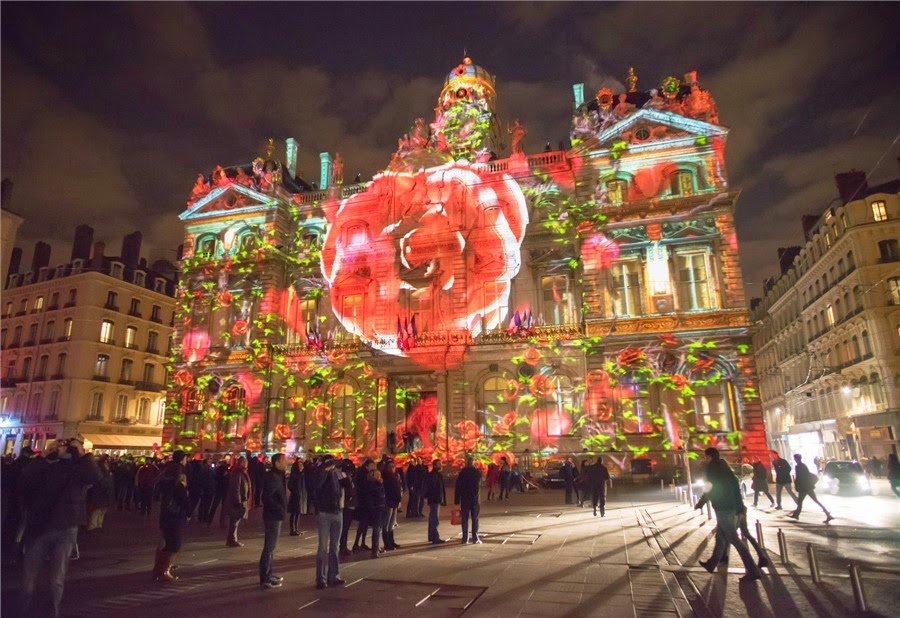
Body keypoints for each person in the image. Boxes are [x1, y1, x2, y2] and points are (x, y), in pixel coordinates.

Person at [20, 437, 101, 616]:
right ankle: (23, 610)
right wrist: (45, 457)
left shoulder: (76, 468)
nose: (61, 448)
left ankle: (52, 612)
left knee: (56, 578)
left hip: (65, 526)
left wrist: (81, 454)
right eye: (58, 445)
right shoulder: (43, 465)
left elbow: (95, 477)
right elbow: (25, 479)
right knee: (29, 577)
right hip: (40, 525)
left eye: (65, 446)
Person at [694, 447, 763, 582]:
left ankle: (753, 570)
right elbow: (735, 488)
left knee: (734, 540)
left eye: (705, 457)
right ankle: (711, 563)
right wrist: (739, 507)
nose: (704, 459)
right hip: (731, 506)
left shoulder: (713, 469)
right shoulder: (725, 468)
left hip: (722, 507)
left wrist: (701, 503)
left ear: (709, 457)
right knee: (720, 538)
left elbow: (710, 489)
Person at [153, 450, 189, 583]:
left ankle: (159, 567)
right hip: (175, 512)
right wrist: (188, 508)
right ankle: (164, 570)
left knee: (165, 540)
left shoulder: (167, 470)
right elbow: (181, 493)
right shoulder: (179, 472)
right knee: (174, 543)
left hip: (166, 510)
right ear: (182, 459)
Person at [313, 455, 345, 589]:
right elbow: (316, 488)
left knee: (334, 546)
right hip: (325, 513)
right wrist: (324, 470)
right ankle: (321, 578)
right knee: (323, 547)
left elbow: (345, 486)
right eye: (332, 463)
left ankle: (334, 575)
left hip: (337, 512)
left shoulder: (336, 474)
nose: (334, 466)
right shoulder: (321, 474)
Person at [259, 453, 287, 589]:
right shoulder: (272, 477)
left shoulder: (277, 476)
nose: (285, 463)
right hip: (273, 516)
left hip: (275, 515)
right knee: (269, 547)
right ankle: (265, 577)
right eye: (283, 461)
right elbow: (267, 497)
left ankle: (268, 573)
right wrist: (279, 509)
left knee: (271, 547)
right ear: (276, 463)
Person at [789, 454, 833, 523]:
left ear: (797, 459)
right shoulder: (803, 465)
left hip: (803, 488)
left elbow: (799, 478)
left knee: (800, 502)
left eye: (795, 459)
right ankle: (827, 514)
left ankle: (796, 515)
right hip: (808, 486)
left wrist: (797, 486)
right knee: (815, 501)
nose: (794, 460)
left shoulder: (798, 466)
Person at [454, 455, 483, 544]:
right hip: (474, 499)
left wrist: (457, 500)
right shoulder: (477, 472)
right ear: (473, 462)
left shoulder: (462, 472)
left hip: (465, 498)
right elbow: (479, 484)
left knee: (465, 519)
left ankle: (465, 538)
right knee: (475, 519)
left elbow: (458, 486)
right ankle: (475, 537)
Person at [225, 456, 251, 547]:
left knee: (235, 521)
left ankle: (231, 539)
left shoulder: (241, 473)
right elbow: (236, 489)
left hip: (240, 500)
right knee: (234, 521)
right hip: (237, 502)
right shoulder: (238, 473)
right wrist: (238, 501)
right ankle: (232, 540)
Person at [424, 459, 446, 544]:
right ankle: (435, 537)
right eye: (439, 464)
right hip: (435, 499)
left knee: (432, 518)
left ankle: (432, 536)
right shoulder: (434, 475)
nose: (441, 465)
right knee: (434, 519)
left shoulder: (436, 474)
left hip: (435, 499)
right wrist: (438, 498)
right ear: (435, 465)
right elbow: (434, 488)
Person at [382, 459, 403, 550]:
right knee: (386, 523)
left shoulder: (395, 476)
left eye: (393, 466)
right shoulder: (386, 477)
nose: (392, 468)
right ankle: (387, 543)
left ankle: (391, 541)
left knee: (391, 523)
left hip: (395, 502)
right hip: (389, 502)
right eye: (390, 467)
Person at [287, 456, 305, 536]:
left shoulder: (301, 474)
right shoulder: (295, 475)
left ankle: (296, 529)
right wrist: (295, 491)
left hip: (299, 494)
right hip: (295, 495)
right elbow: (290, 485)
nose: (301, 465)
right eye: (299, 464)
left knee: (297, 512)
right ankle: (293, 529)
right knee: (294, 512)